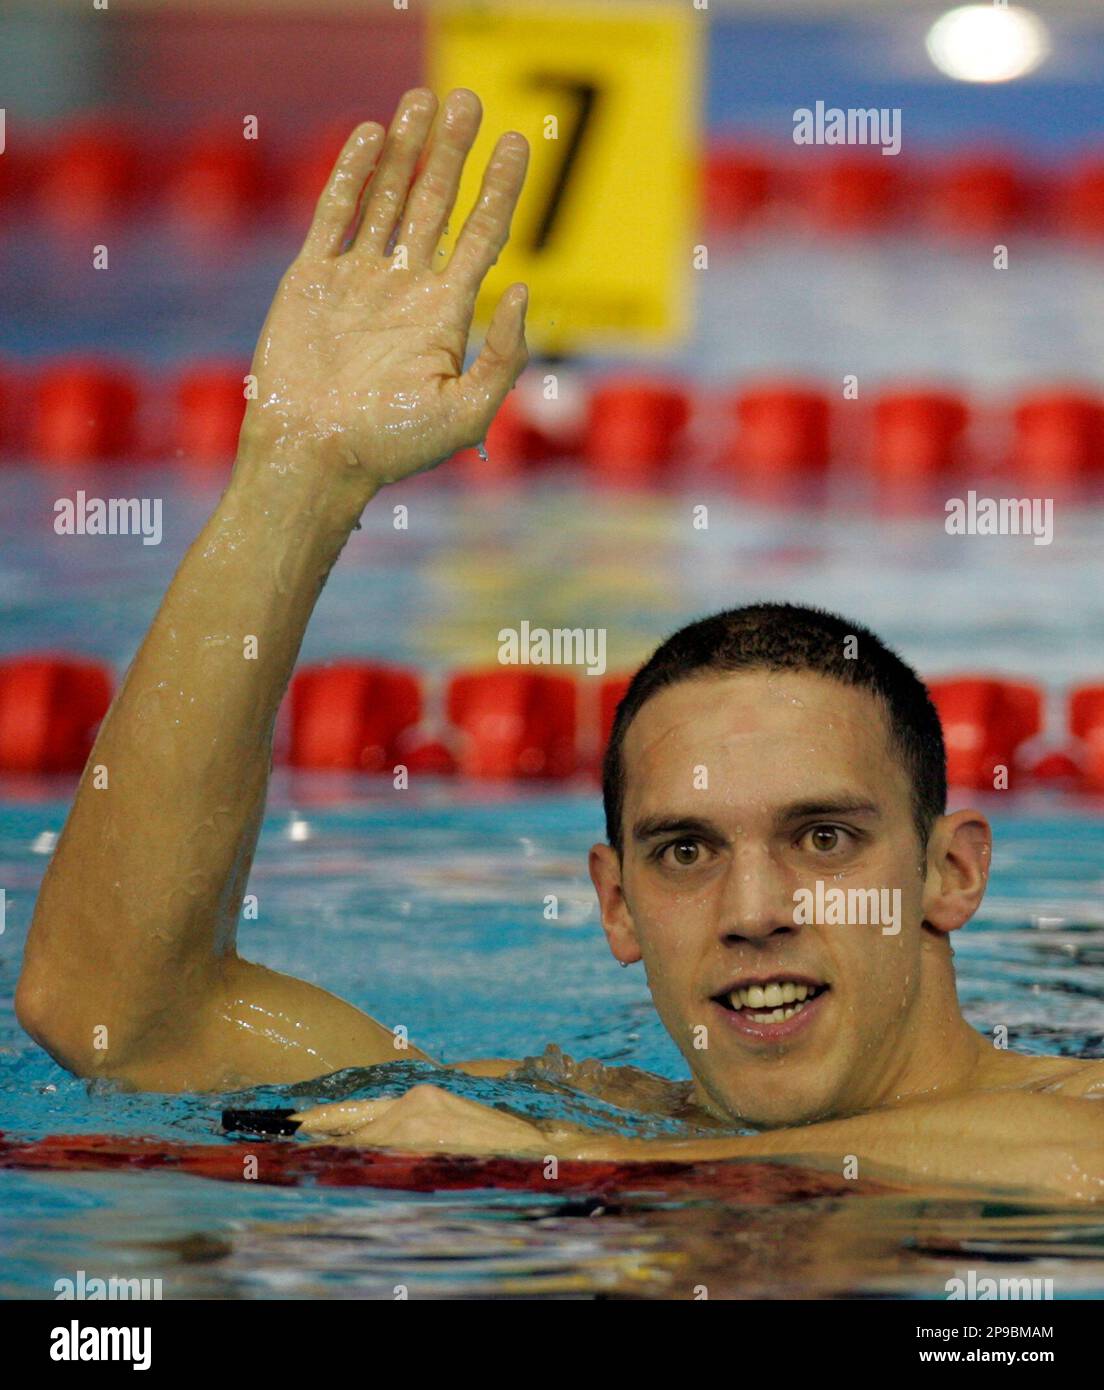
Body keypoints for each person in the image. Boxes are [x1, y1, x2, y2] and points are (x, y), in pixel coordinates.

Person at [16, 88, 1104, 1202]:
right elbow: (118, 1016)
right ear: (616, 904)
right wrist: (295, 478)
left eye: (824, 837)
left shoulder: (1068, 1110)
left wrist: (614, 1167)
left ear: (950, 871)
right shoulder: (583, 1114)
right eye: (685, 851)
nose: (753, 910)